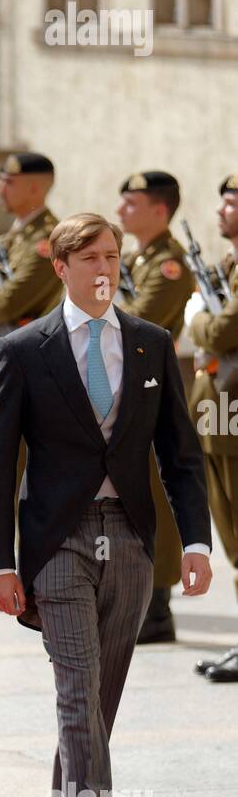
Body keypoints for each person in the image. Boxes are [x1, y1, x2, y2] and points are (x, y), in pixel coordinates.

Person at [0, 213, 212, 797]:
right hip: (58, 540)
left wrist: (193, 540)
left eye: (111, 255)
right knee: (75, 691)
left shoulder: (149, 344)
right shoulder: (23, 349)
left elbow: (180, 455)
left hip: (133, 541)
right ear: (60, 268)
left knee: (97, 700)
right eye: (89, 258)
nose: (104, 268)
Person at [114, 171, 193, 644]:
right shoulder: (137, 260)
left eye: (131, 203)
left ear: (159, 210)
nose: (121, 210)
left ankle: (159, 606)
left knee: (155, 495)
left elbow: (135, 323)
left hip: (154, 389)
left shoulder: (169, 266)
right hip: (129, 389)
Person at [185, 175, 238, 683]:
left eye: (232, 204)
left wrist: (196, 318)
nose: (222, 211)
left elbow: (223, 332)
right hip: (217, 419)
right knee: (232, 539)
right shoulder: (228, 267)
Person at [0, 152, 63, 398]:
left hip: (30, 360)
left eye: (9, 183)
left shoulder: (47, 241)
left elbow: (8, 302)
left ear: (34, 188)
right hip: (2, 352)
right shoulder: (12, 237)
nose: (0, 190)